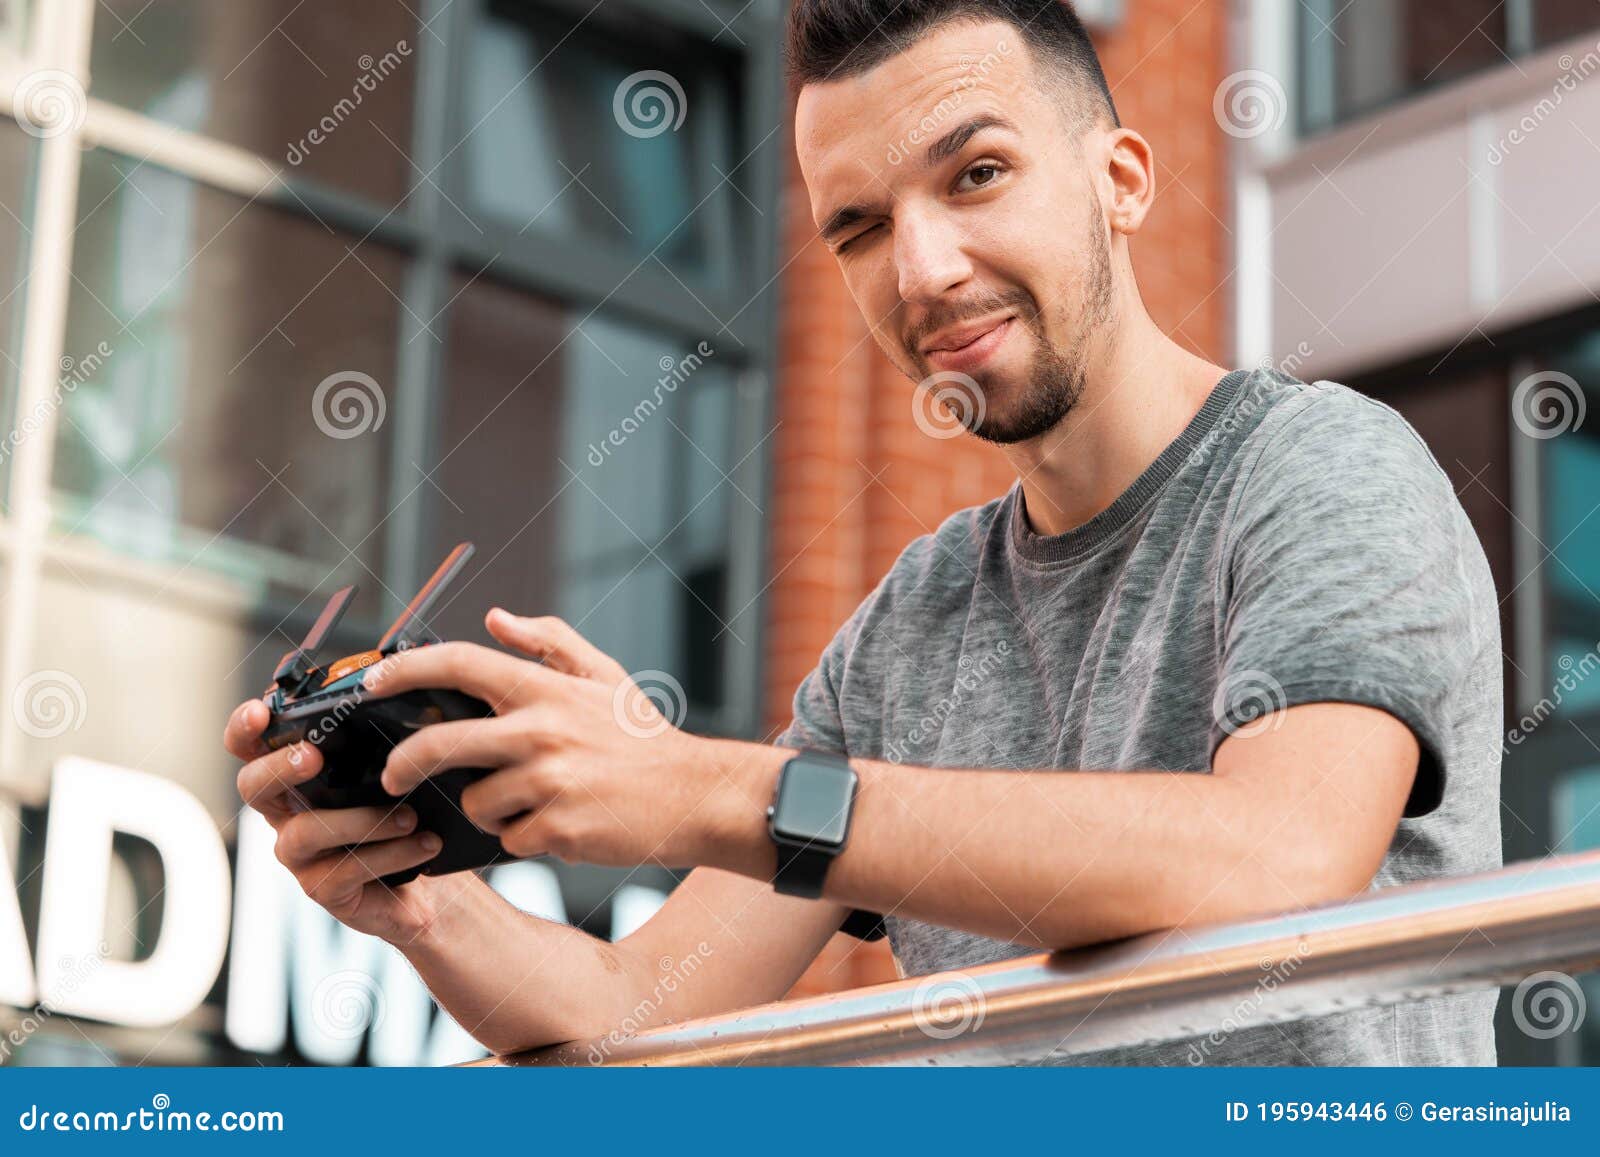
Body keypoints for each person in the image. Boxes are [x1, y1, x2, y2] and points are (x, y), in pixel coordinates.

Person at [224, 0, 1501, 1065]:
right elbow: (630, 1015)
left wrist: (693, 786)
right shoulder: (915, 621)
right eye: (862, 226)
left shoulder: (1322, 468)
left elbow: (1282, 859)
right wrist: (417, 905)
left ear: (1120, 181)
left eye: (976, 175)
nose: (923, 269)